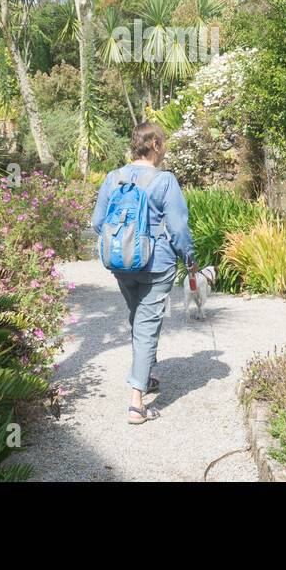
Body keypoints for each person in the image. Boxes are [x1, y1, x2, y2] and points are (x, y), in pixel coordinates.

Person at [89, 121, 196, 424]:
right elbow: (178, 229)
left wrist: (123, 242)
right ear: (155, 146)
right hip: (156, 265)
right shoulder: (164, 181)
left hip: (121, 265)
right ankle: (137, 404)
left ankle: (145, 375)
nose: (166, 148)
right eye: (164, 142)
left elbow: (98, 222)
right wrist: (189, 259)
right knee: (147, 324)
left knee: (138, 319)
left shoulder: (113, 178)